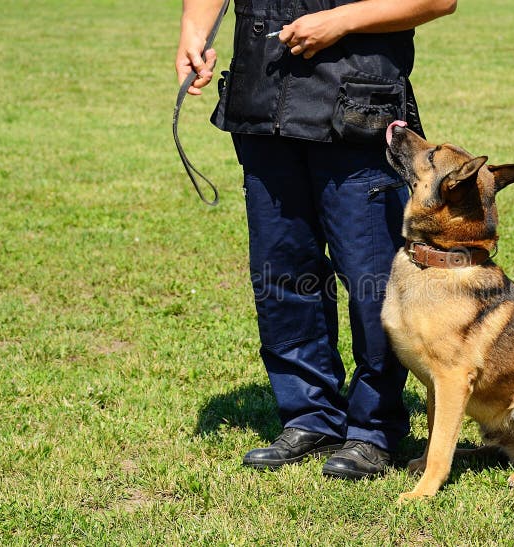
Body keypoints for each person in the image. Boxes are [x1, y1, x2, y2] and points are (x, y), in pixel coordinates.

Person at [176, 0, 456, 479]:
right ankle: (310, 416)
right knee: (282, 274)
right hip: (264, 106)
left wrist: (339, 21)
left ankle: (374, 429)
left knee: (373, 286)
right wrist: (193, 30)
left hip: (357, 112)